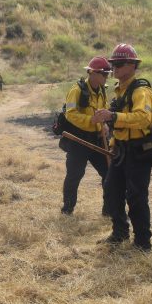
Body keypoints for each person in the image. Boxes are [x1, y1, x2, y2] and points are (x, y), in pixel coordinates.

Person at [92, 44, 152, 252]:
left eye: (119, 64)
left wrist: (112, 116)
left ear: (133, 65)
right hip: (121, 151)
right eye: (113, 64)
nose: (115, 68)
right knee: (112, 191)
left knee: (136, 198)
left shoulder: (141, 91)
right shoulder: (120, 91)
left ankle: (142, 243)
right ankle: (119, 233)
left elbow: (143, 118)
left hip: (138, 152)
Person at [60, 57, 111, 216]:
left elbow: (104, 109)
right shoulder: (76, 90)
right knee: (74, 176)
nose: (107, 77)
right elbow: (70, 114)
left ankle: (108, 210)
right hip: (78, 141)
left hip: (97, 139)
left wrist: (105, 124)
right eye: (104, 74)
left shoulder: (102, 90)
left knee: (109, 173)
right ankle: (67, 210)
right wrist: (90, 120)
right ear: (93, 73)